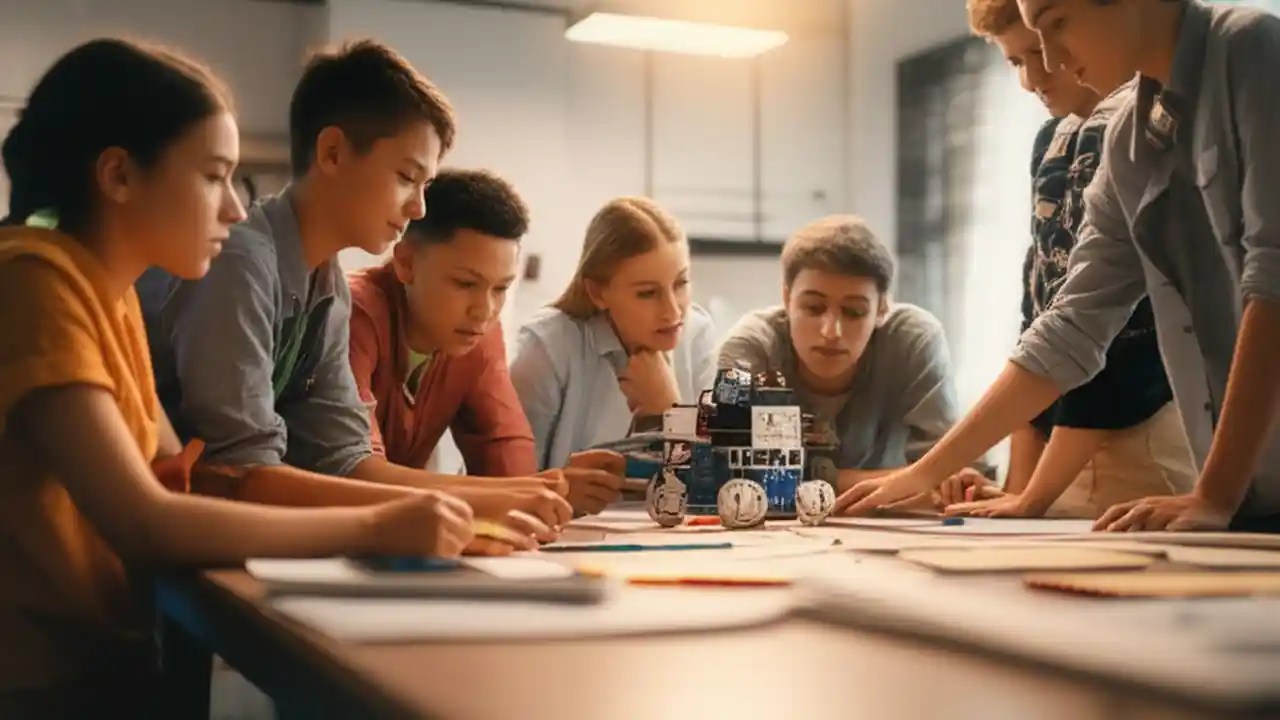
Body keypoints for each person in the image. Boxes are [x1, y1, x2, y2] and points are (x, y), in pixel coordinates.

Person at [0, 39, 489, 719]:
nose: (234, 208)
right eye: (213, 177)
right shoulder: (34, 278)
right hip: (40, 684)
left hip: (108, 659)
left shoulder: (108, 295)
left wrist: (438, 511)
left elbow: (192, 478)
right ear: (119, 175)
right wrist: (376, 526)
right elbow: (145, 520)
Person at [838, 0, 1280, 533]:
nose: (1050, 61)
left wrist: (1214, 493)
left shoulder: (1250, 48)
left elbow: (1272, 279)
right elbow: (1069, 328)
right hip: (1249, 492)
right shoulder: (1128, 139)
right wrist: (924, 472)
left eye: (1058, 24)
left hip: (1224, 482)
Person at [136, 39, 572, 530]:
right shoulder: (242, 263)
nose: (418, 208)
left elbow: (344, 457)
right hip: (166, 537)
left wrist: (526, 493)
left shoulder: (327, 287)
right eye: (407, 177)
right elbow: (243, 472)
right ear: (333, 153)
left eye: (425, 186)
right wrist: (475, 507)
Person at [945, 0, 1195, 519]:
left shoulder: (1136, 126)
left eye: (1042, 50)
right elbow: (1040, 318)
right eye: (1017, 61)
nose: (1033, 78)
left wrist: (1033, 496)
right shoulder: (1054, 140)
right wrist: (1021, 487)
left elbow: (1121, 342)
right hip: (1065, 445)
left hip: (1142, 431)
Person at [348, 168, 624, 515]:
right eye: (465, 284)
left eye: (501, 288)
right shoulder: (351, 314)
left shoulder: (478, 336)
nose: (485, 310)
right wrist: (536, 491)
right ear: (406, 263)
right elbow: (355, 476)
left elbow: (508, 464)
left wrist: (545, 491)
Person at [717, 215, 960, 494]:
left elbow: (951, 473)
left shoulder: (915, 340)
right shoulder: (746, 349)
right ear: (786, 298)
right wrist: (909, 480)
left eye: (854, 312)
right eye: (813, 307)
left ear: (882, 309)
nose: (831, 332)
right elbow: (723, 473)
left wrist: (798, 480)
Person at [510, 196, 717, 470]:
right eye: (648, 293)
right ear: (598, 292)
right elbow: (509, 480)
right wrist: (565, 486)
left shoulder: (698, 334)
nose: (672, 312)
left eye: (681, 283)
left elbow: (720, 477)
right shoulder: (547, 348)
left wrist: (670, 411)